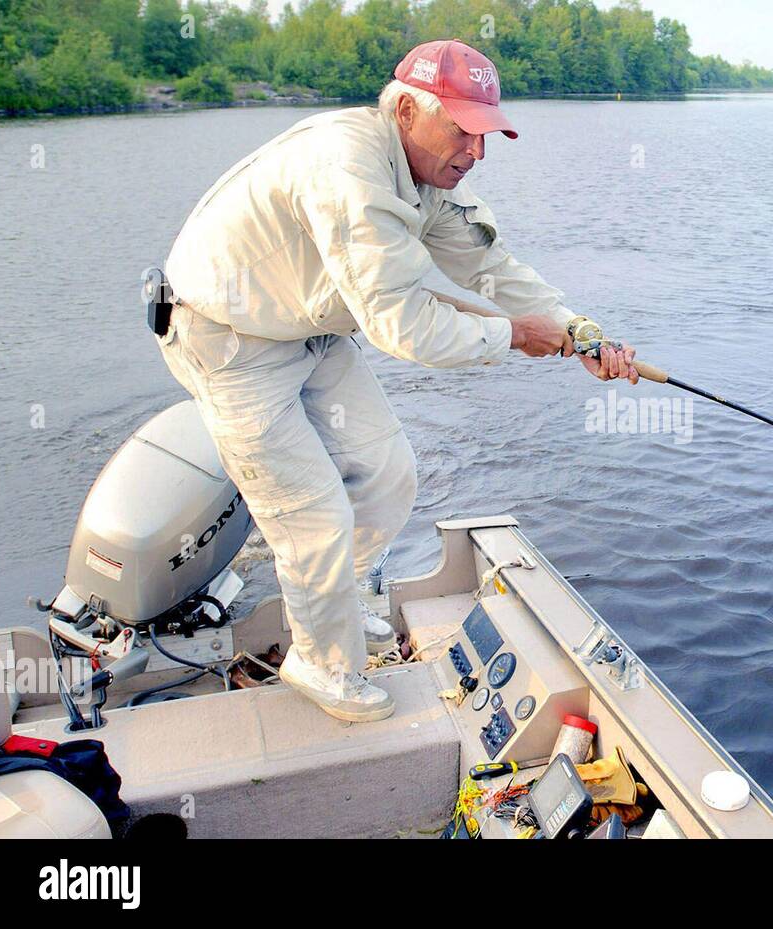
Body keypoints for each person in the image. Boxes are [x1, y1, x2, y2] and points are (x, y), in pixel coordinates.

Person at [156, 39, 638, 722]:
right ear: (407, 109)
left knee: (387, 472)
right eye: (464, 131)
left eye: (486, 133)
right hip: (225, 334)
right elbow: (402, 325)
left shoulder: (425, 174)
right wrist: (512, 335)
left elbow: (490, 268)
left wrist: (579, 328)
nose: (476, 151)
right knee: (312, 513)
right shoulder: (350, 169)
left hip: (303, 324)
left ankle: (340, 607)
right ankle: (319, 662)